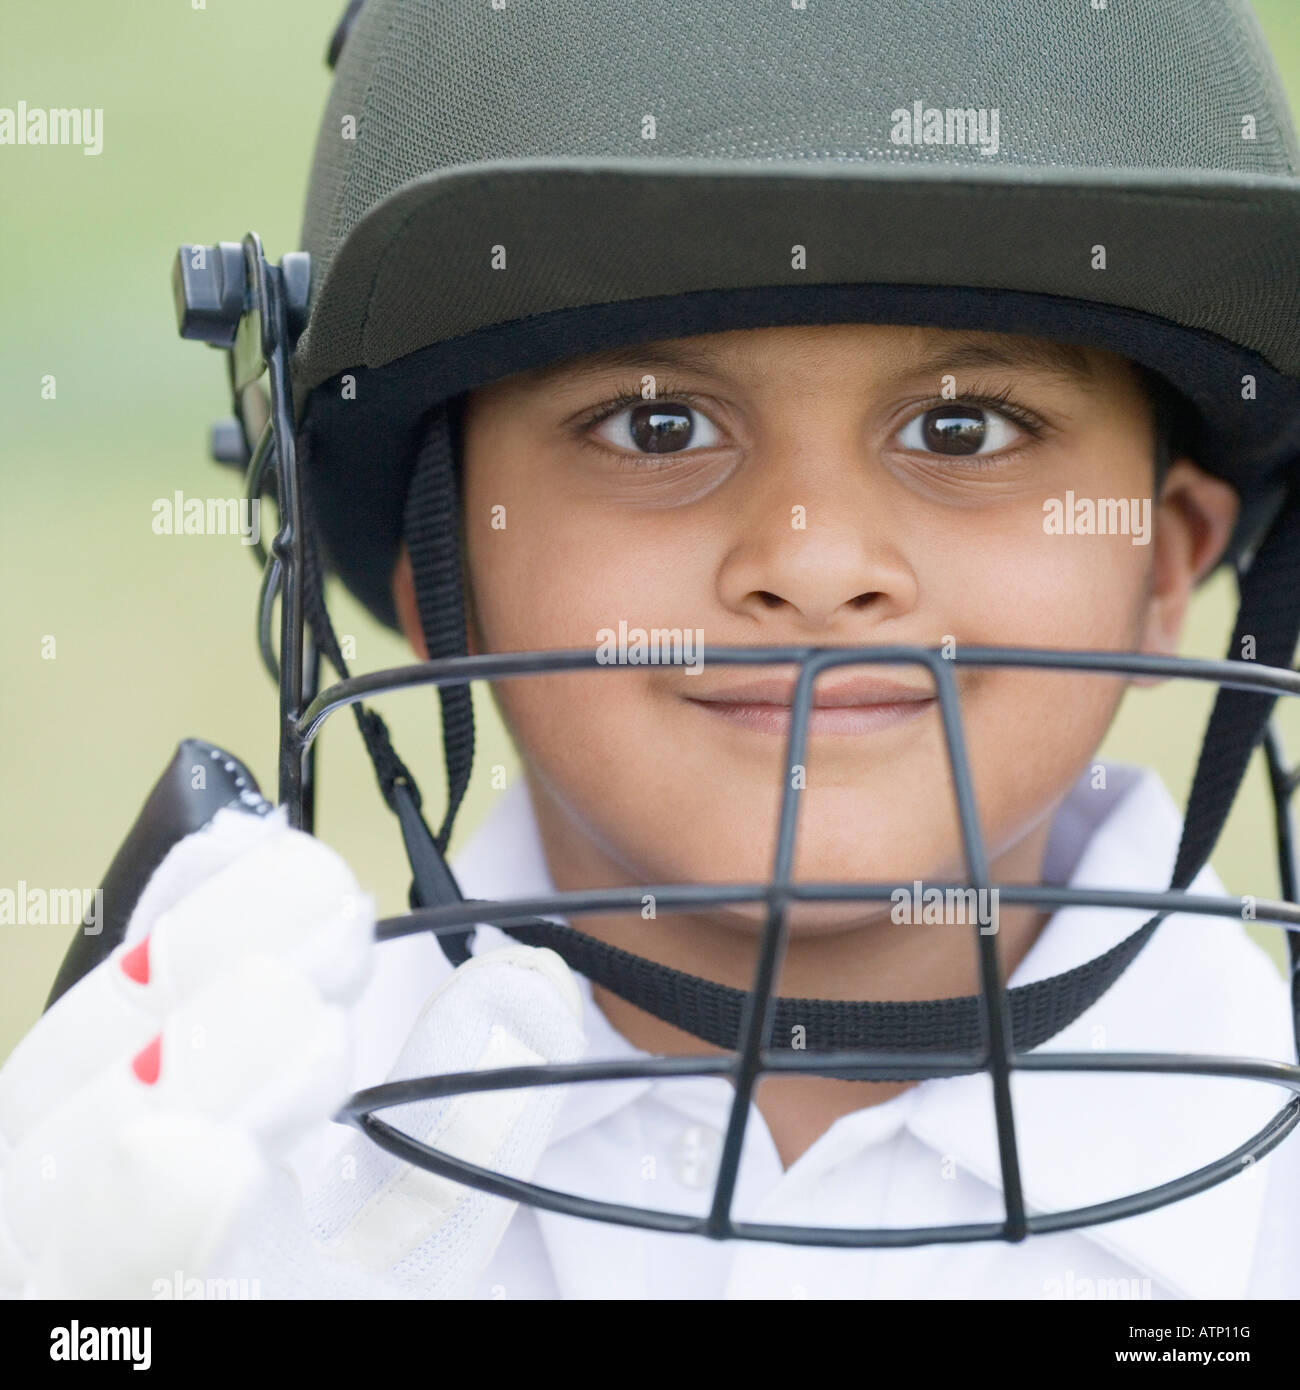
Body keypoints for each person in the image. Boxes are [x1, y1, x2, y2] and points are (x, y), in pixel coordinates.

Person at [3, 0, 1300, 1300]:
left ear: (1166, 558)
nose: (813, 559)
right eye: (660, 427)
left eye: (962, 433)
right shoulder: (220, 1164)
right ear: (436, 559)